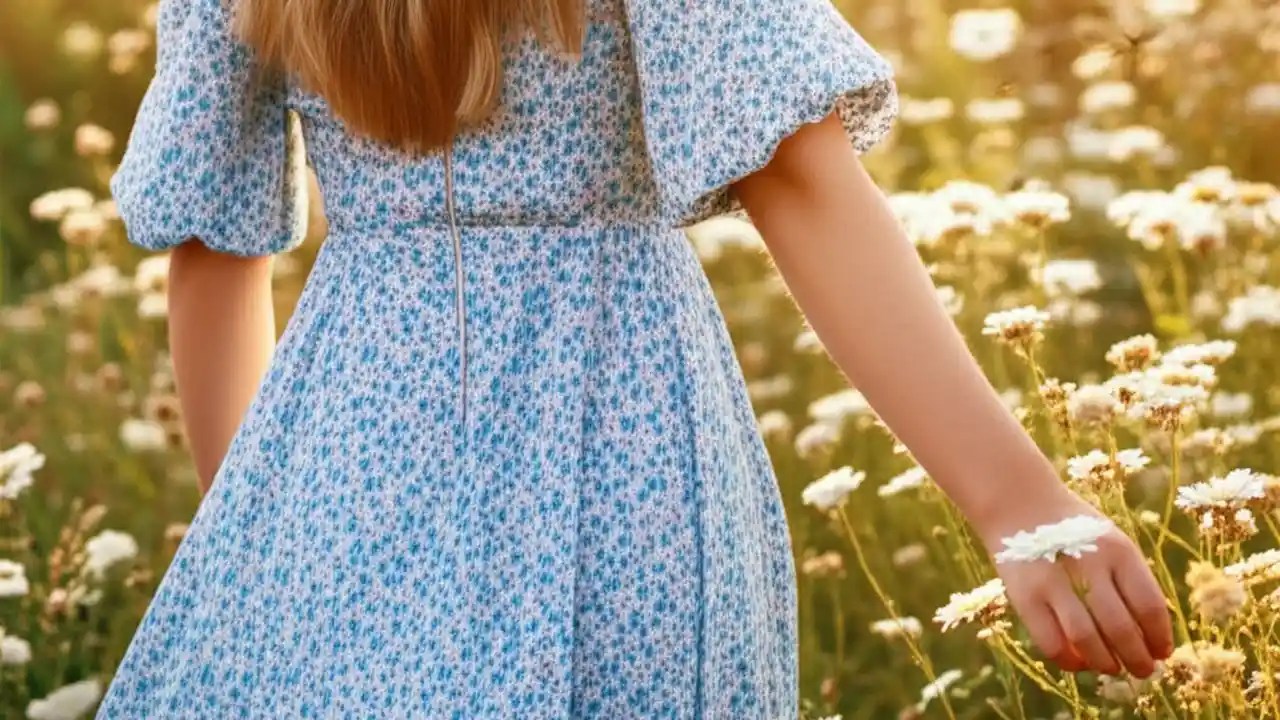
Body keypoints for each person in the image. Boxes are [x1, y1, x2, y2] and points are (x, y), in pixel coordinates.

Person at [95, 0, 1174, 716]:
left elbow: (213, 251)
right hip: (619, 440)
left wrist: (266, 558)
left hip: (338, 455)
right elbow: (800, 184)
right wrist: (1016, 502)